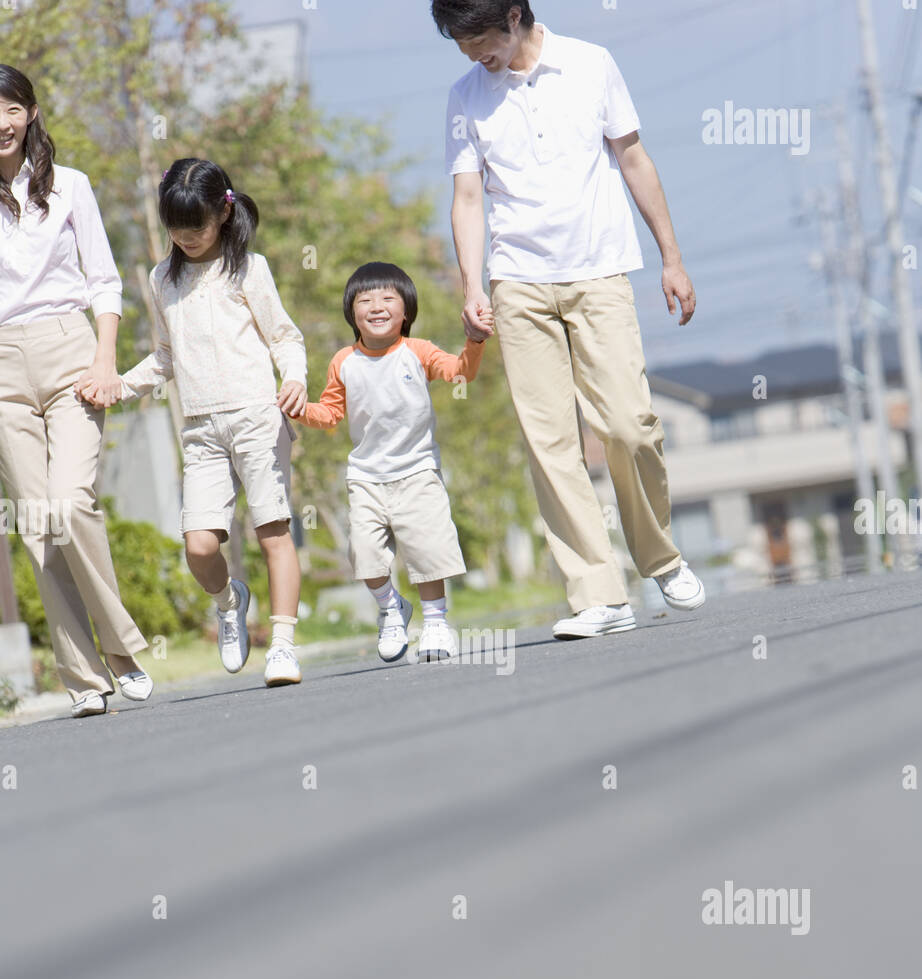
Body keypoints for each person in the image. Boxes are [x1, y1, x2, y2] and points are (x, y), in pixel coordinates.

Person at [433, 2, 706, 638]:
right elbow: (467, 196)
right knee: (548, 440)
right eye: (460, 44)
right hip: (517, 284)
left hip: (599, 270)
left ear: (513, 15)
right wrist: (473, 284)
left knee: (627, 425)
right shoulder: (465, 95)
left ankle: (660, 557)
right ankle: (596, 593)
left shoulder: (591, 64)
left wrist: (672, 257)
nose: (474, 55)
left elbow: (634, 159)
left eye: (479, 40)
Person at [80, 158, 307, 688]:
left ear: (222, 215)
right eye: (176, 231)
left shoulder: (249, 269)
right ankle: (230, 604)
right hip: (201, 428)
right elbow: (164, 355)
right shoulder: (162, 280)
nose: (186, 239)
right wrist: (116, 383)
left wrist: (293, 377)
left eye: (196, 229)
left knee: (274, 532)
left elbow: (285, 337)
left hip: (256, 419)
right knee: (200, 546)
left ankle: (282, 646)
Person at [0, 64, 152, 717]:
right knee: (37, 526)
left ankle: (120, 648)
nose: (0, 124)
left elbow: (105, 281)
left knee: (69, 503)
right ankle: (84, 680)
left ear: (30, 111)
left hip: (71, 356)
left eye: (8, 108)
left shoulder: (69, 187)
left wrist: (105, 359)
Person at [296, 262, 490, 663]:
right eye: (365, 300)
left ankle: (435, 622)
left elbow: (459, 374)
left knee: (426, 552)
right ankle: (391, 607)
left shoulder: (417, 352)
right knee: (364, 554)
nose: (377, 307)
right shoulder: (343, 361)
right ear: (352, 312)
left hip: (417, 470)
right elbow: (330, 414)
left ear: (407, 311)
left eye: (388, 298)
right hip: (366, 477)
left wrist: (473, 343)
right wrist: (298, 409)